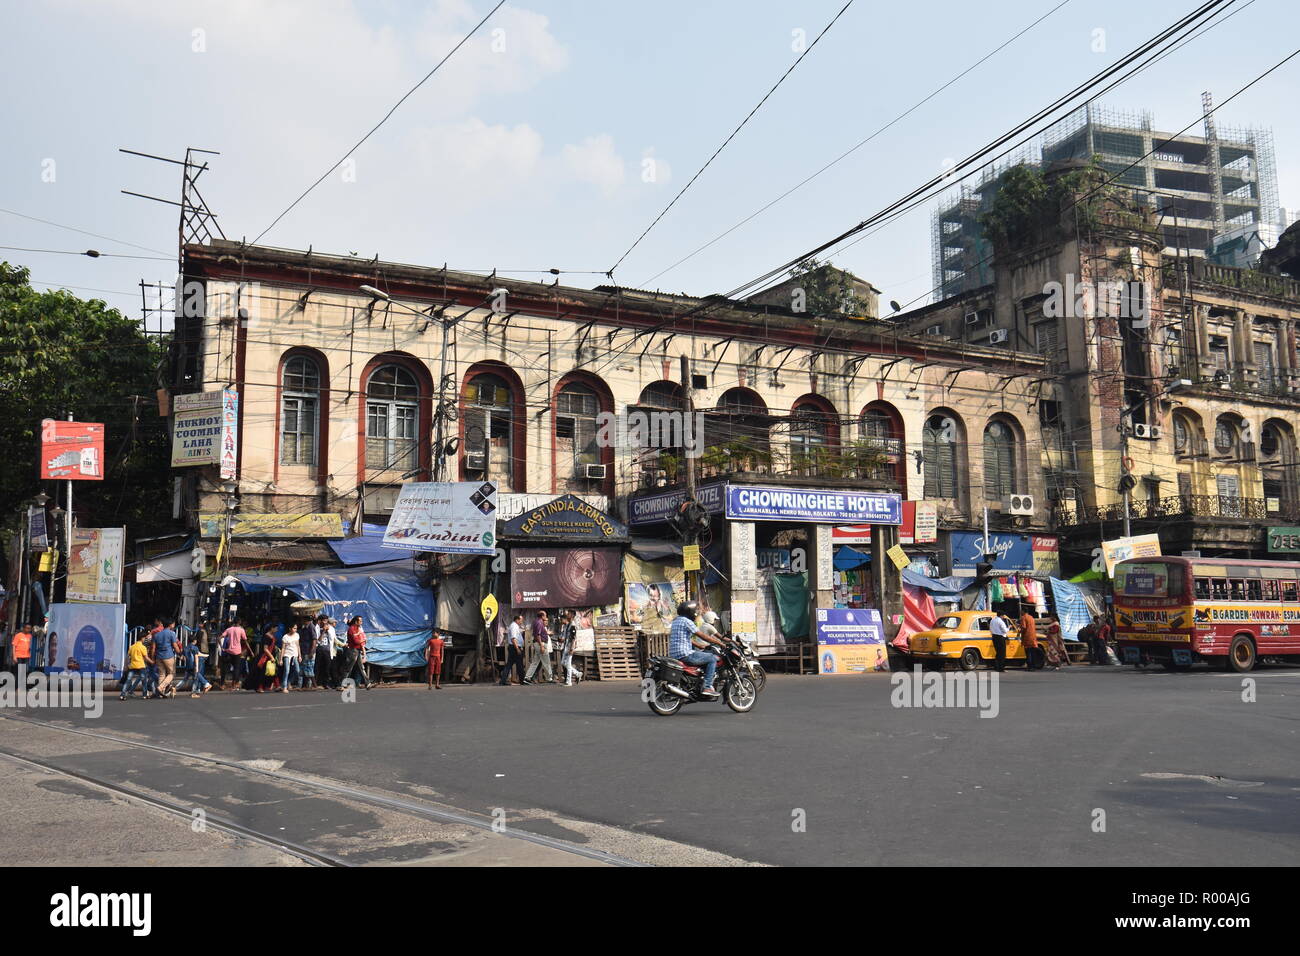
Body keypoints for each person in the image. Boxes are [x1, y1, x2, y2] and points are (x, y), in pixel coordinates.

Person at [669, 601, 724, 698]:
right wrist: (719, 643)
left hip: (675, 654)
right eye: (694, 611)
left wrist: (699, 645)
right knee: (712, 658)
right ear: (689, 611)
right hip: (685, 654)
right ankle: (706, 686)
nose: (695, 613)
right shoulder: (687, 621)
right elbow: (702, 635)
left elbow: (683, 638)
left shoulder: (676, 621)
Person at [524, 610, 555, 685]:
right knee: (546, 661)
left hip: (538, 643)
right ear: (542, 616)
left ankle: (527, 678)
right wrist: (541, 645)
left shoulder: (537, 621)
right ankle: (549, 678)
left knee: (535, 662)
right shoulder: (539, 622)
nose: (546, 617)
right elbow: (537, 635)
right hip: (540, 644)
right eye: (545, 615)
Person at [152, 620, 181, 698]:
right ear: (170, 625)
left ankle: (161, 693)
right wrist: (180, 653)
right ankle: (160, 688)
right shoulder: (172, 633)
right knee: (171, 674)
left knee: (161, 674)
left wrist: (152, 658)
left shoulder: (156, 635)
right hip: (168, 656)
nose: (174, 626)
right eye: (173, 624)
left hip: (159, 656)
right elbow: (175, 646)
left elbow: (153, 649)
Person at [120, 634, 153, 700]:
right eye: (144, 638)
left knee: (128, 680)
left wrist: (126, 665)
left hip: (132, 666)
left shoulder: (132, 647)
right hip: (141, 666)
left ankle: (122, 695)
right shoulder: (143, 647)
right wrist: (152, 662)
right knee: (144, 681)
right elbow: (146, 658)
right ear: (142, 638)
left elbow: (128, 657)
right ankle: (144, 695)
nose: (145, 639)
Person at [219, 619, 248, 689]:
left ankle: (222, 684)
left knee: (225, 668)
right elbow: (245, 639)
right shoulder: (241, 630)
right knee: (236, 668)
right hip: (237, 652)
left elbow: (219, 638)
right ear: (239, 622)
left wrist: (222, 647)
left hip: (229, 651)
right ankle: (234, 684)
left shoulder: (229, 629)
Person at [499, 613, 525, 686]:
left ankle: (503, 680)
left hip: (514, 647)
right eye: (521, 620)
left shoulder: (515, 626)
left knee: (509, 664)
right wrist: (517, 649)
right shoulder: (514, 626)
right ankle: (522, 680)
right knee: (519, 664)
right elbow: (513, 639)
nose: (522, 621)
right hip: (514, 647)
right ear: (517, 620)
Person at [558, 610, 582, 686]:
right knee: (563, 663)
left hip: (570, 646)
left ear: (572, 615)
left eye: (568, 614)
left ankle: (569, 682)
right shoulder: (568, 625)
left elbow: (573, 638)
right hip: (566, 646)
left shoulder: (573, 625)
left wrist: (572, 648)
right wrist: (562, 640)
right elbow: (566, 637)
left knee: (568, 663)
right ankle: (577, 673)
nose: (567, 615)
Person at [278, 623, 302, 693]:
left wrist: (300, 656)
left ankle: (289, 682)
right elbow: (283, 648)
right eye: (294, 628)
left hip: (295, 654)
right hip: (287, 655)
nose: (295, 630)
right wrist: (281, 659)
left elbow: (298, 646)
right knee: (287, 670)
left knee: (297, 670)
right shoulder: (285, 637)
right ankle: (284, 687)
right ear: (290, 628)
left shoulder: (297, 635)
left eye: (296, 628)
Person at [314, 616, 335, 690]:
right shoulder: (317, 628)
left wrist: (327, 630)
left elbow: (332, 638)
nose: (325, 622)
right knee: (317, 667)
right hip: (319, 649)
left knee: (327, 667)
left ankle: (325, 683)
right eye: (323, 621)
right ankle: (315, 683)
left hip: (327, 650)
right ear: (320, 621)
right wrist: (323, 631)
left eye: (326, 621)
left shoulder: (331, 628)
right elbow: (318, 640)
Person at [300, 617, 318, 690]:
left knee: (309, 668)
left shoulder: (311, 627)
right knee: (305, 668)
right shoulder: (305, 627)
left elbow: (314, 640)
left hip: (309, 651)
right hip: (305, 650)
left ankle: (314, 685)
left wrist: (312, 651)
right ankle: (305, 686)